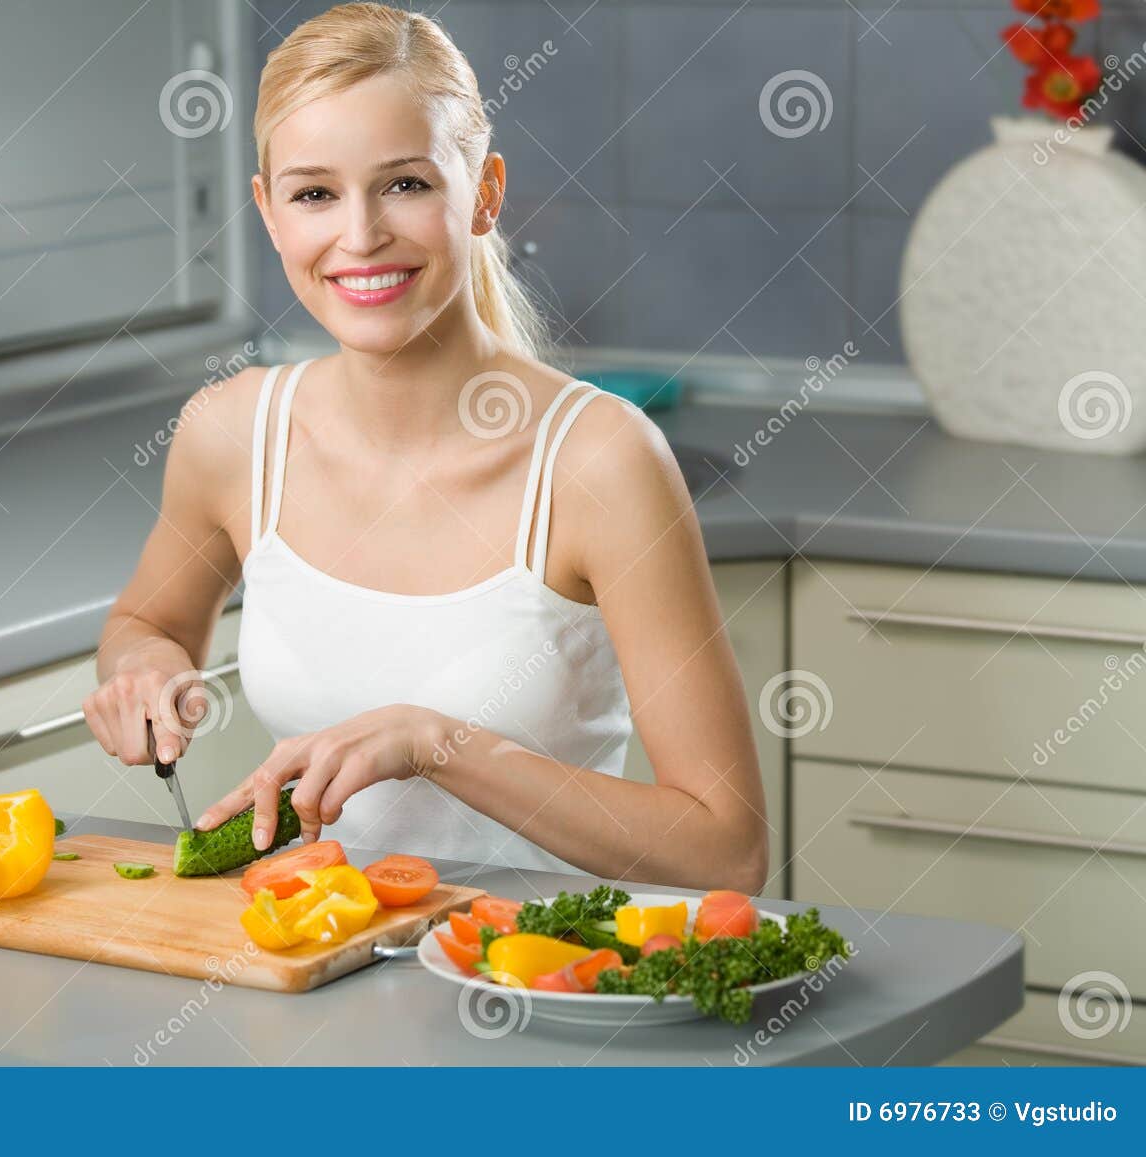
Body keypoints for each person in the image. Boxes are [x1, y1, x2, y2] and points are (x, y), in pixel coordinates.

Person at [84, 2, 766, 889]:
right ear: (270, 212)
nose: (360, 236)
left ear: (482, 195)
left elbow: (726, 848)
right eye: (315, 193)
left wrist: (437, 743)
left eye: (405, 184)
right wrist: (141, 670)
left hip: (540, 982)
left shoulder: (599, 462)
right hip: (316, 969)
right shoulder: (233, 433)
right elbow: (147, 623)